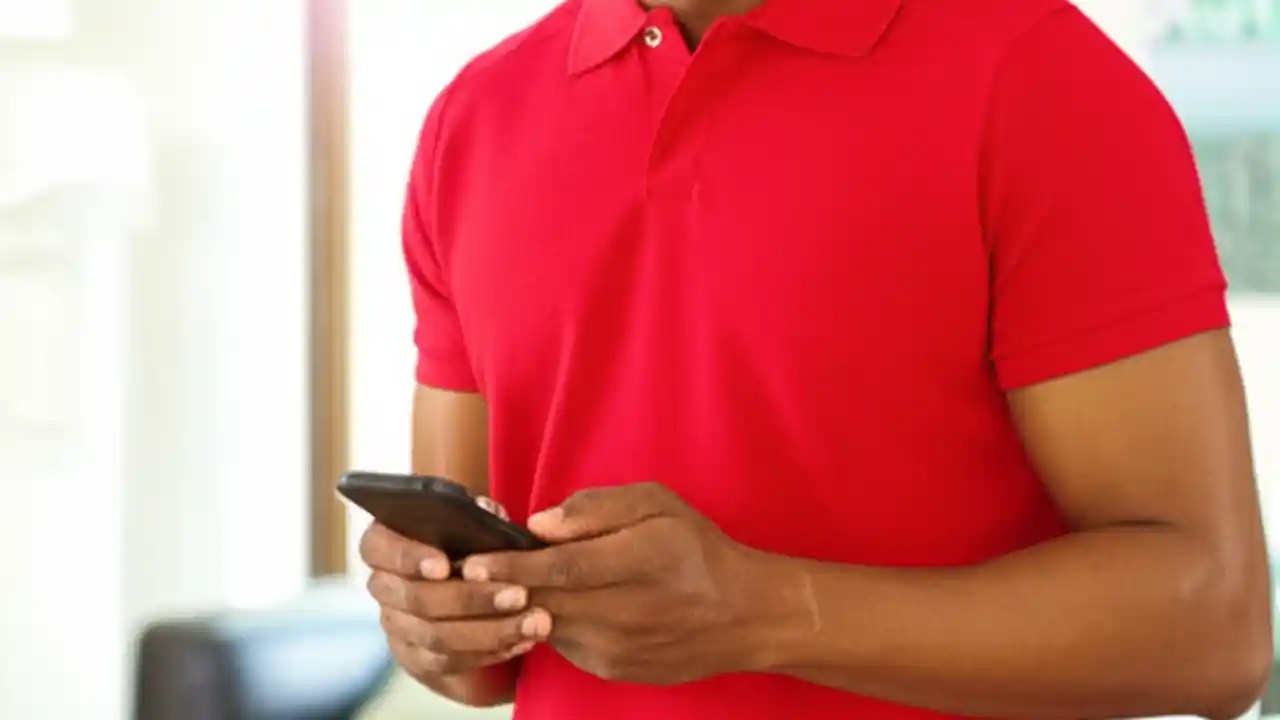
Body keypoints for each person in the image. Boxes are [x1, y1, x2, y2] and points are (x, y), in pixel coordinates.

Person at [359, 0, 1272, 718]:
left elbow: (1215, 635)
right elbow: (484, 663)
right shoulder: (472, 120)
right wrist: (434, 620)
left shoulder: (1040, 78)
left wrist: (767, 611)